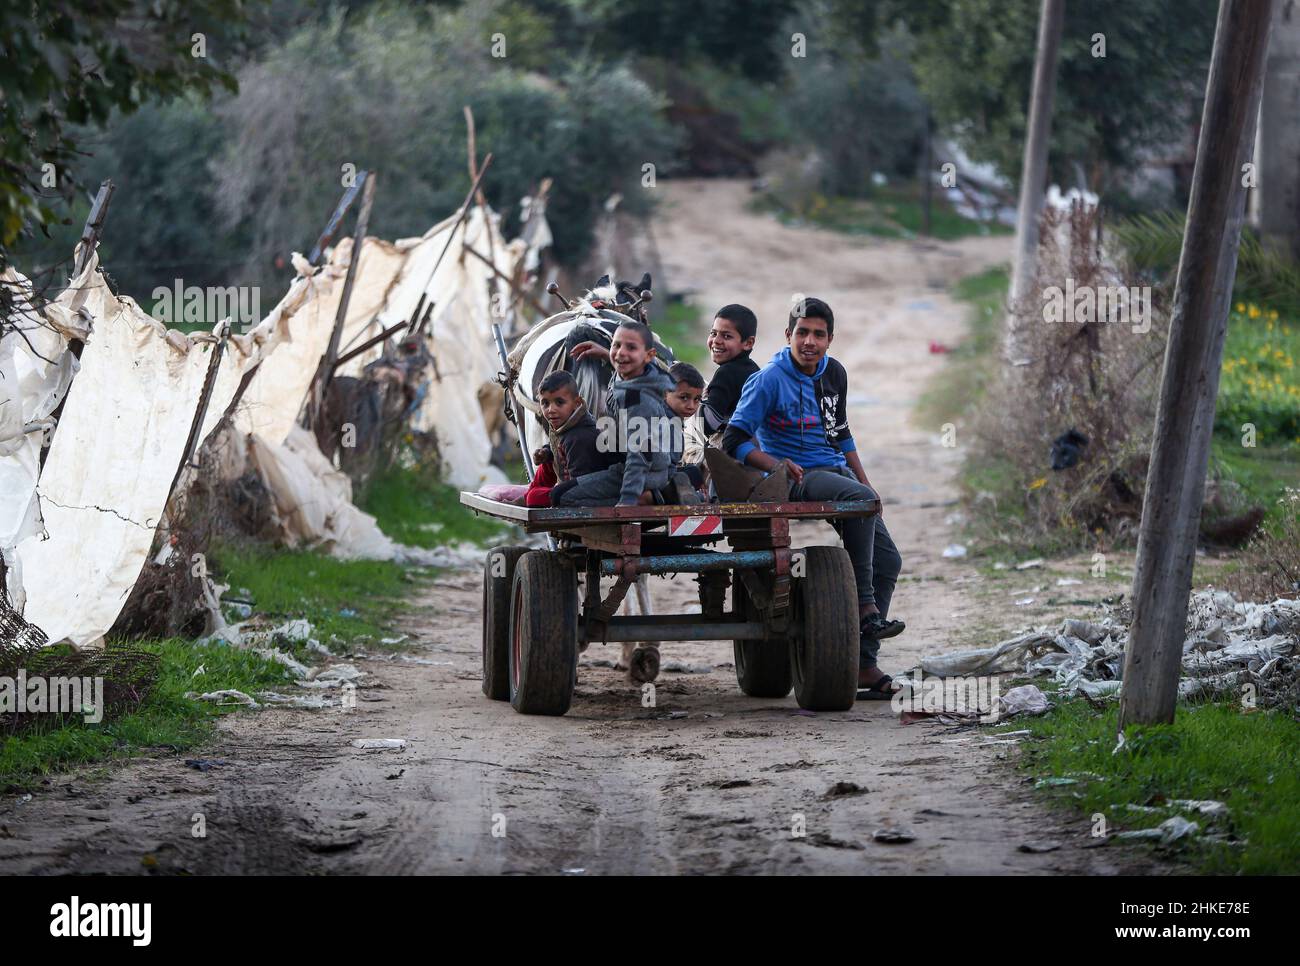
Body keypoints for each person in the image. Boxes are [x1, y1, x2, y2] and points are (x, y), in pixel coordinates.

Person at [721, 296, 904, 696]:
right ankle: (867, 607)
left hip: (836, 471)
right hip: (799, 478)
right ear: (788, 335)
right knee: (855, 501)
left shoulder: (833, 373)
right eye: (802, 332)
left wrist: (866, 482)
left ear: (830, 340)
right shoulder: (768, 378)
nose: (810, 341)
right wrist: (774, 464)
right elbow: (734, 439)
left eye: (818, 335)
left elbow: (841, 432)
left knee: (888, 559)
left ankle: (861, 664)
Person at [553, 321, 676, 507]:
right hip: (623, 465)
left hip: (645, 473)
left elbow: (640, 457)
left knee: (562, 497)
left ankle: (654, 498)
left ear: (649, 356)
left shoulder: (637, 401)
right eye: (616, 345)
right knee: (561, 492)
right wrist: (606, 354)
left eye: (631, 348)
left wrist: (628, 499)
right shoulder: (629, 376)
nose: (620, 353)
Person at [524, 370, 614, 507]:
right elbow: (558, 442)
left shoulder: (579, 438)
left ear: (577, 403)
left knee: (533, 498)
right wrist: (546, 451)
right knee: (547, 461)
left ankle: (528, 497)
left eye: (559, 402)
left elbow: (580, 485)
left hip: (581, 489)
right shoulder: (564, 423)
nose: (551, 410)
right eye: (545, 403)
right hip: (568, 479)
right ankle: (526, 496)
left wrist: (558, 492)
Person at [701, 304, 760, 441]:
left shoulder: (726, 373)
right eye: (713, 333)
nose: (716, 341)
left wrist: (700, 399)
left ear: (748, 343)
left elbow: (707, 425)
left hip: (736, 451)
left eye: (726, 336)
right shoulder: (754, 369)